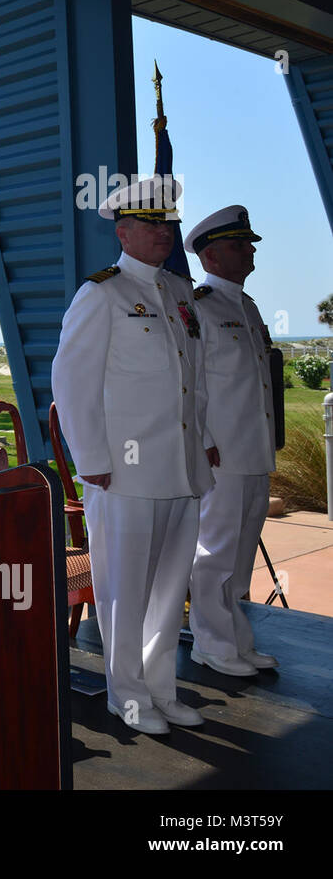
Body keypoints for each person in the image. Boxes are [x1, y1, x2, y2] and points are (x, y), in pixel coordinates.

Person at [51, 177, 218, 735]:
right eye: (149, 224)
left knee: (170, 591)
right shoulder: (103, 294)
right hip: (123, 471)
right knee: (125, 592)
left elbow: (194, 380)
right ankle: (127, 697)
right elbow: (72, 380)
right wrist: (91, 457)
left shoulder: (180, 293)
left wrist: (202, 441)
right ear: (122, 232)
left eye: (167, 223)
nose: (162, 233)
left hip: (181, 467)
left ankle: (161, 691)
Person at [185, 205, 277, 677]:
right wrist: (203, 440)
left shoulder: (247, 306)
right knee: (215, 552)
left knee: (240, 555)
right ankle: (211, 644)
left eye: (249, 243)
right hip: (221, 452)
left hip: (253, 448)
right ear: (211, 256)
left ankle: (236, 638)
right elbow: (190, 381)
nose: (250, 251)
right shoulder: (200, 306)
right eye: (240, 244)